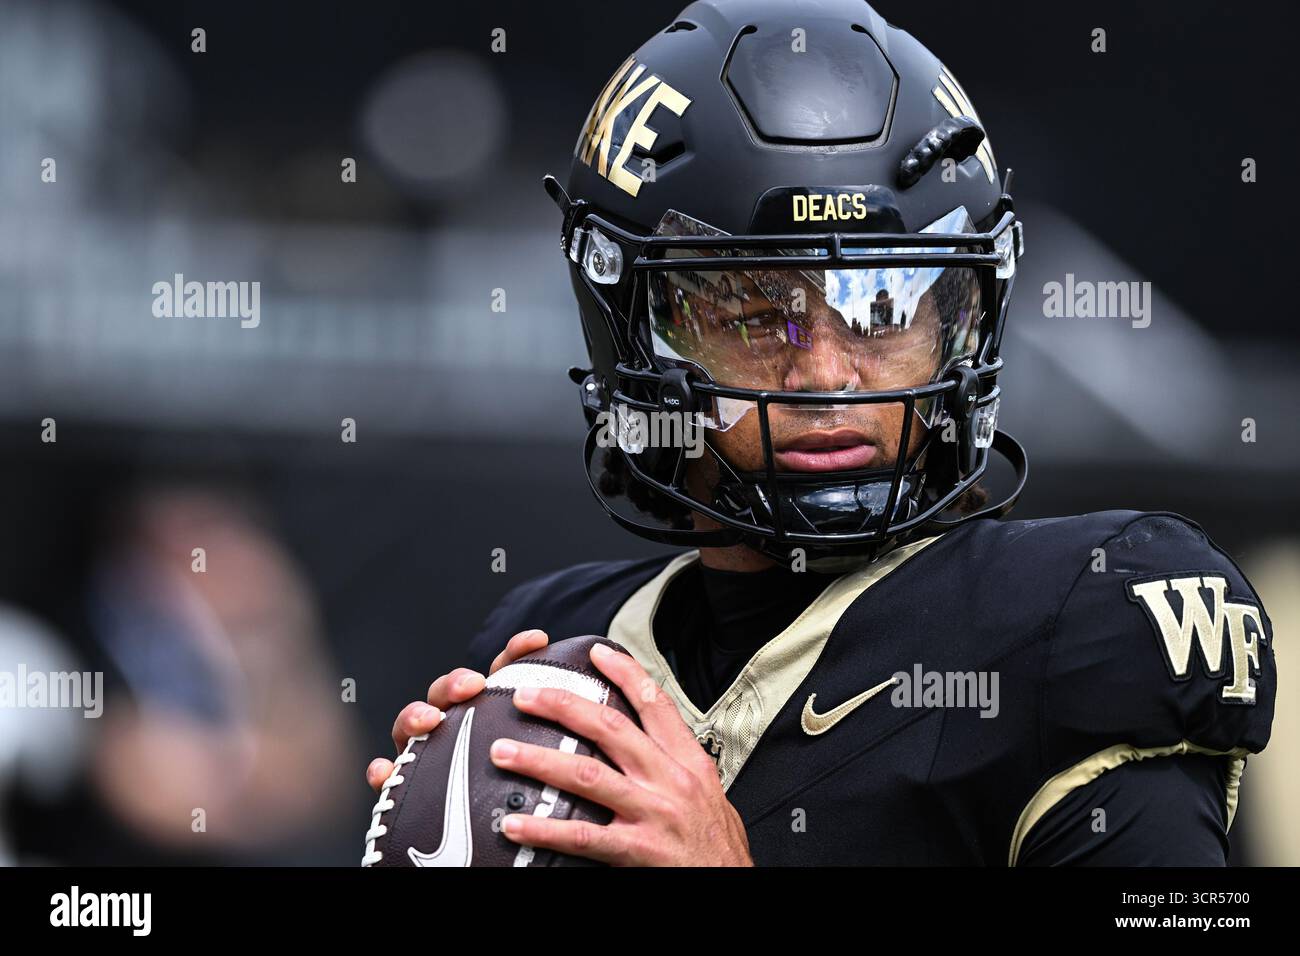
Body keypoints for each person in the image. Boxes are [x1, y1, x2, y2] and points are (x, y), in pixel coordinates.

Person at [366, 0, 1275, 866]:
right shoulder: (551, 646)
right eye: (757, 319)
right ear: (629, 332)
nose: (828, 376)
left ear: (962, 325)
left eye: (882, 311)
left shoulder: (1084, 619)